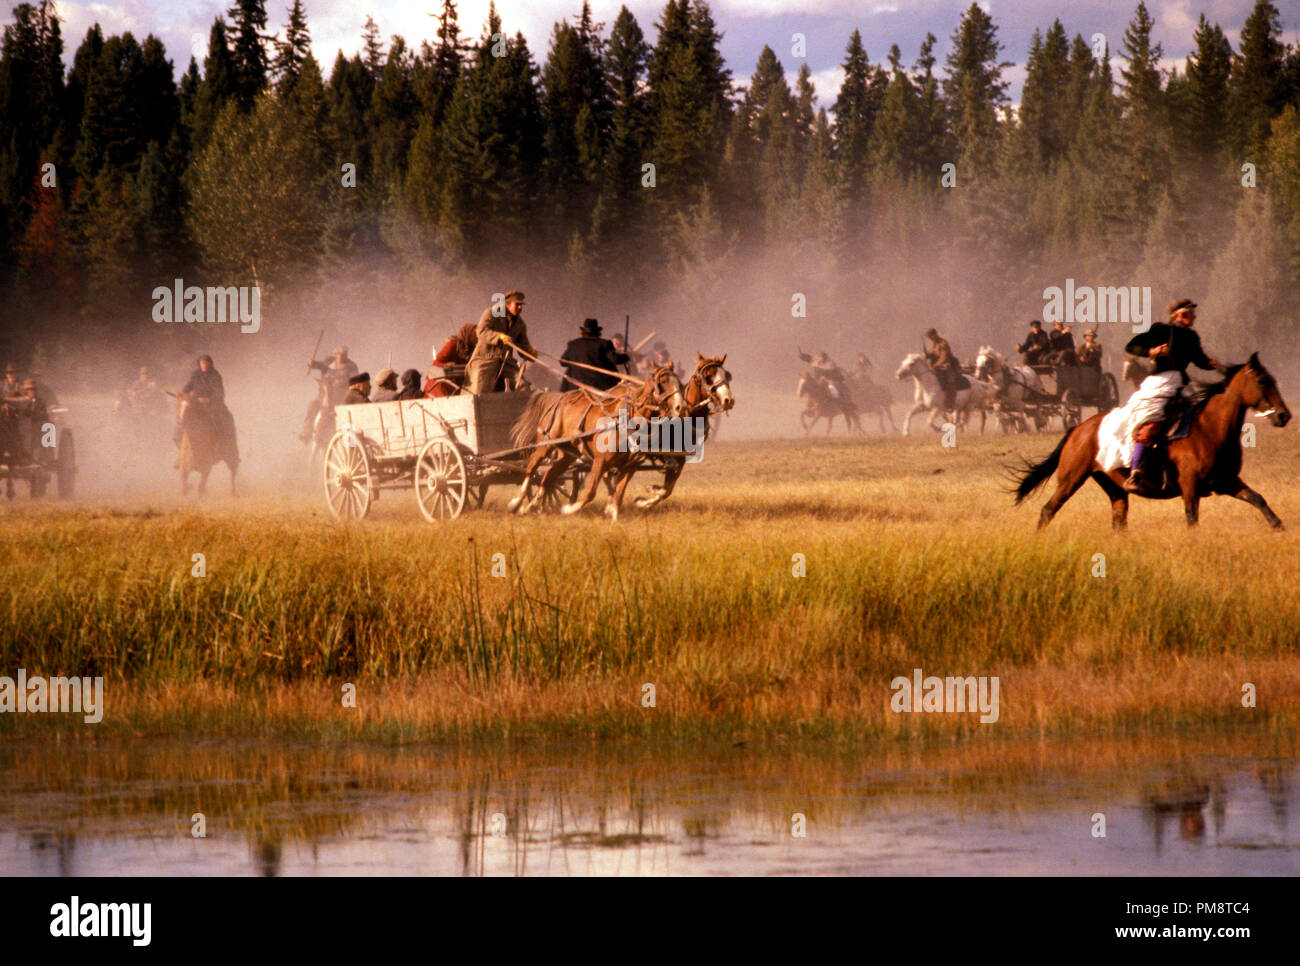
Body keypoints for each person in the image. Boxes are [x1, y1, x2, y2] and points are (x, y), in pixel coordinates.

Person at [1104, 298, 1221, 492]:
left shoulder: (1192, 337)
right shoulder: (1161, 330)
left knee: (1198, 417)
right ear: (1176, 316)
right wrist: (1152, 351)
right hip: (1159, 382)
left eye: (1192, 314)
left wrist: (1209, 363)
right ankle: (1135, 473)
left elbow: (1198, 359)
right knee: (1150, 422)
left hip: (1181, 384)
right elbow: (1132, 346)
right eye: (1187, 314)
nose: (1191, 318)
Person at [466, 290, 536, 394]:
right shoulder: (492, 313)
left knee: (523, 387)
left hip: (506, 363)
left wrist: (530, 352)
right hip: (485, 360)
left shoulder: (520, 324)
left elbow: (522, 347)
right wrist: (499, 337)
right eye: (517, 305)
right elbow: (481, 331)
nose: (520, 308)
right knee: (480, 391)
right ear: (507, 304)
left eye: (521, 305)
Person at [178, 355, 238, 458]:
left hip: (212, 405)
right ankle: (182, 454)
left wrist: (208, 399)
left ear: (210, 364)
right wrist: (183, 394)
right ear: (199, 364)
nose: (204, 365)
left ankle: (220, 449)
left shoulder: (215, 376)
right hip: (196, 404)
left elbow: (220, 393)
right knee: (182, 421)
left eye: (206, 363)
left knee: (217, 423)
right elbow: (189, 386)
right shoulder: (196, 375)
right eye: (202, 363)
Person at [302, 345, 358, 441]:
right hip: (325, 395)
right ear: (335, 355)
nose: (341, 357)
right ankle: (307, 432)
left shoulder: (351, 366)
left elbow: (354, 380)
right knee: (312, 406)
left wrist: (342, 383)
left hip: (340, 397)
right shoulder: (328, 362)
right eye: (339, 354)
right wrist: (311, 363)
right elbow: (318, 365)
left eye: (344, 355)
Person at [560, 318, 629, 392]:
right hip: (603, 386)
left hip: (577, 386)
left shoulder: (573, 344)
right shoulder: (605, 344)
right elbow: (616, 360)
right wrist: (626, 356)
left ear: (583, 332)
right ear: (598, 332)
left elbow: (563, 362)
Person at [426, 322, 478, 397]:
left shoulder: (472, 349)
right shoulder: (452, 345)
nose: (476, 337)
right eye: (474, 334)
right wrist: (446, 365)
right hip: (442, 386)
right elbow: (435, 363)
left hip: (458, 384)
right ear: (468, 334)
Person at [924, 328, 963, 411]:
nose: (930, 339)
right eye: (929, 338)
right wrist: (927, 355)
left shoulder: (943, 343)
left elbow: (944, 357)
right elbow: (934, 354)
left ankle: (950, 404)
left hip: (948, 365)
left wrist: (935, 365)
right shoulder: (934, 344)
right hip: (937, 366)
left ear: (935, 335)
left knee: (950, 382)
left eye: (931, 337)